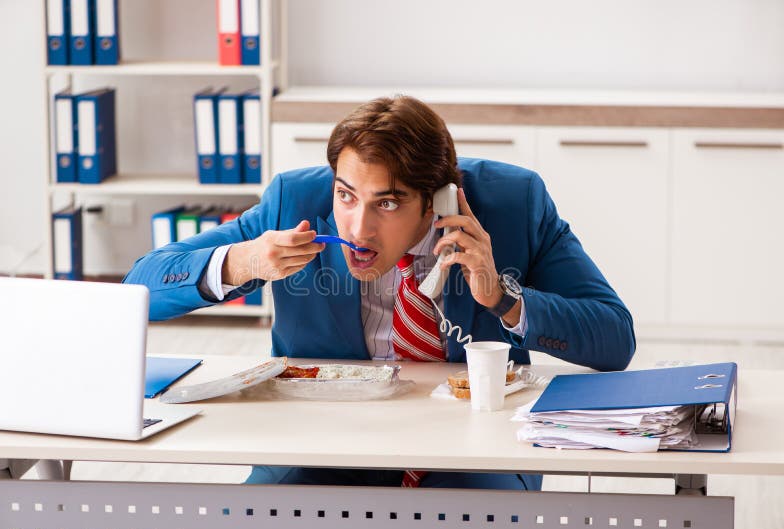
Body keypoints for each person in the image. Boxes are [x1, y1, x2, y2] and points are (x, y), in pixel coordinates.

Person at [124, 95, 635, 491]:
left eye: (386, 204)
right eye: (346, 196)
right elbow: (142, 282)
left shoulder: (513, 203)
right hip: (322, 446)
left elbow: (615, 340)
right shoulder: (294, 200)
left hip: (472, 452)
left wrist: (502, 298)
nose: (358, 227)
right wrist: (245, 260)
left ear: (436, 201)